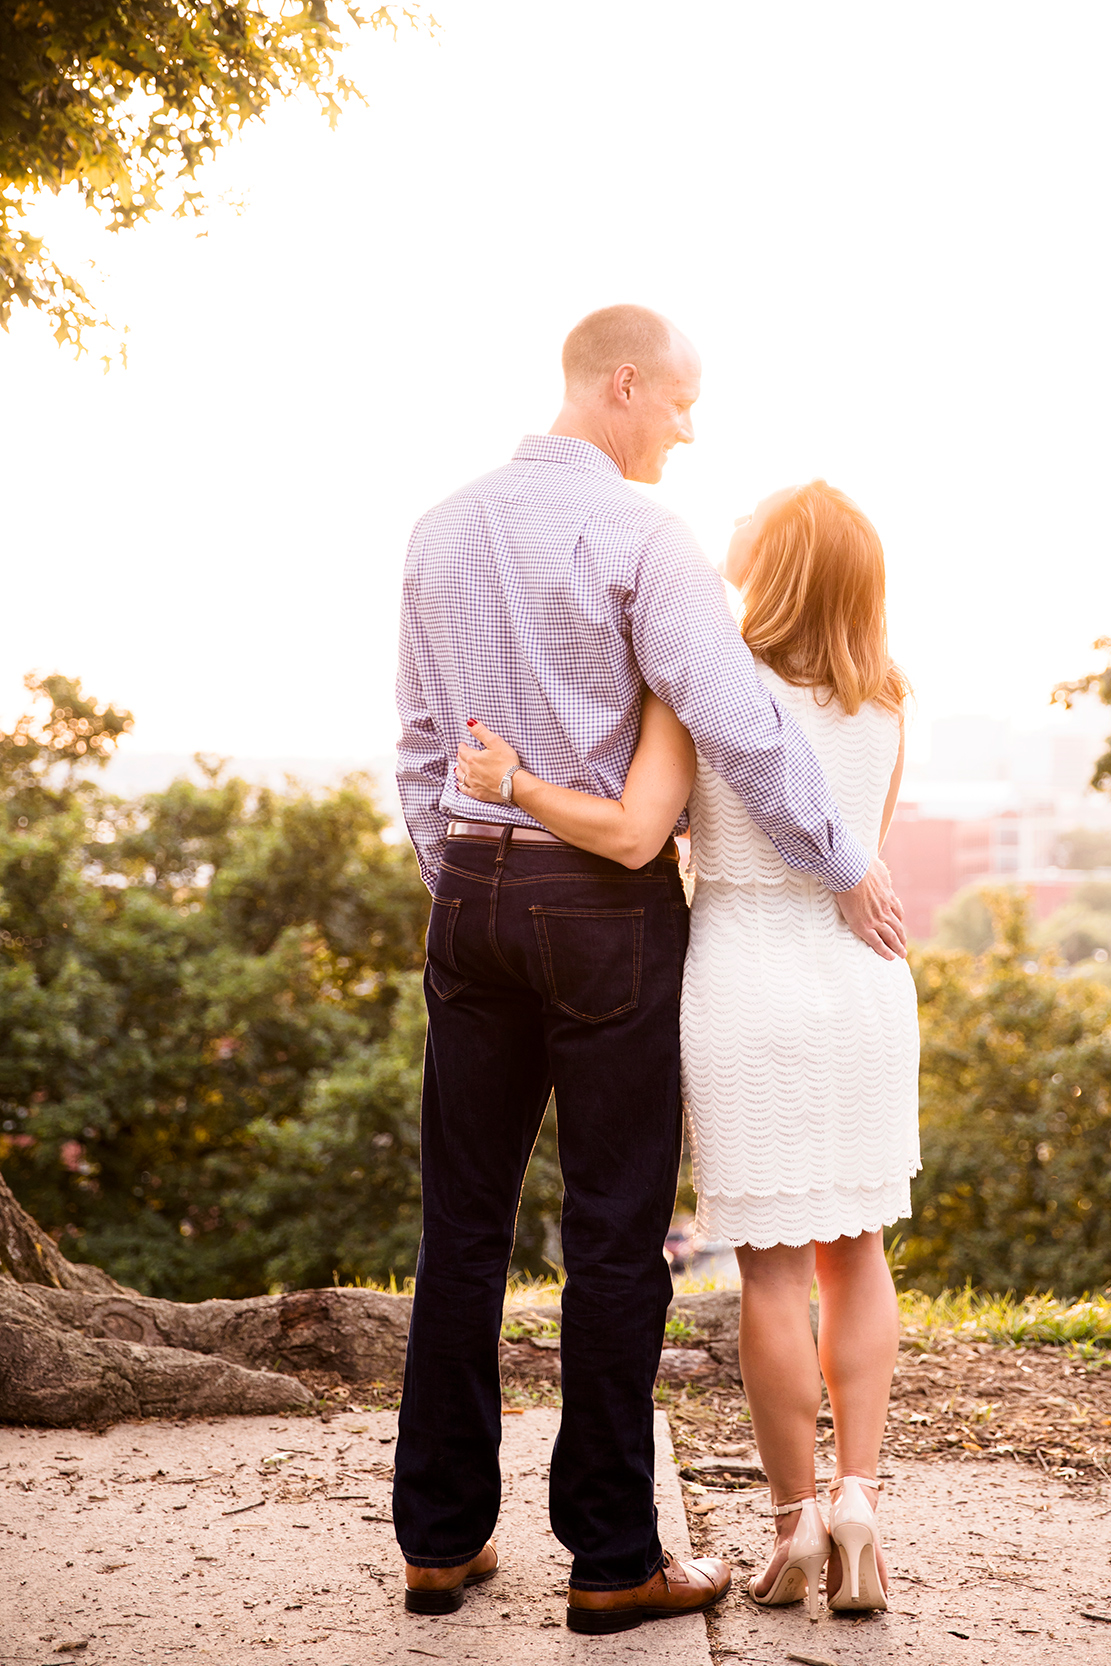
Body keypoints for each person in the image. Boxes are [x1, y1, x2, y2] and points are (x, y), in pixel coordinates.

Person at [393, 304, 906, 1636]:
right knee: (614, 1234)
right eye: (680, 402)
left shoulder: (440, 529)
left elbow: (419, 740)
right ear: (623, 384)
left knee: (463, 1223)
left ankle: (439, 1540)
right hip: (604, 906)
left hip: (476, 886)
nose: (688, 428)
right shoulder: (642, 535)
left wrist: (466, 882)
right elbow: (738, 720)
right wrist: (844, 858)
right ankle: (612, 1556)